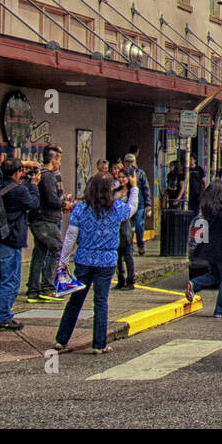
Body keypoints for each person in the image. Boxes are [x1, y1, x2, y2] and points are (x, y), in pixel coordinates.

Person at [54, 172, 139, 354]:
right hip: (106, 261)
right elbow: (133, 207)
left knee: (75, 300)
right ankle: (99, 344)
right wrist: (134, 187)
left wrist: (63, 261)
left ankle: (61, 339)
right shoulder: (116, 208)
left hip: (84, 259)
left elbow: (70, 237)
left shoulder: (81, 209)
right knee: (100, 302)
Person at [0, 158, 41, 331]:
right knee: (10, 281)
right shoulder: (20, 191)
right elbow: (34, 204)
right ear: (18, 173)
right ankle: (2, 317)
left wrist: (20, 162)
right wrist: (34, 185)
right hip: (10, 240)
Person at [184, 178, 222, 318]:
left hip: (211, 250)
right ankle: (221, 309)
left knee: (215, 275)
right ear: (220, 193)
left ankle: (194, 284)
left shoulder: (207, 210)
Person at [26, 145, 70, 303]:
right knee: (57, 249)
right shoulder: (49, 176)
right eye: (59, 160)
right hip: (46, 220)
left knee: (39, 253)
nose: (60, 163)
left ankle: (33, 289)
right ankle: (48, 287)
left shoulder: (40, 174)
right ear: (53, 160)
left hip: (37, 219)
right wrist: (64, 204)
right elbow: (51, 200)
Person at [114, 162, 137, 291]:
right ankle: (120, 280)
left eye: (124, 177)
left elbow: (132, 209)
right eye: (120, 177)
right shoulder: (115, 191)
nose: (122, 179)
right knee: (117, 256)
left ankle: (130, 280)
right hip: (115, 227)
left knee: (128, 255)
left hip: (126, 227)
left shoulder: (131, 193)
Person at [123, 152, 150, 255]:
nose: (130, 164)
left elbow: (146, 188)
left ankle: (140, 244)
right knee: (128, 227)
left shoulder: (140, 173)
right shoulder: (123, 173)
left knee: (139, 224)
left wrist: (148, 203)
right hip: (127, 203)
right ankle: (129, 247)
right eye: (127, 162)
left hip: (140, 203)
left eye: (132, 161)